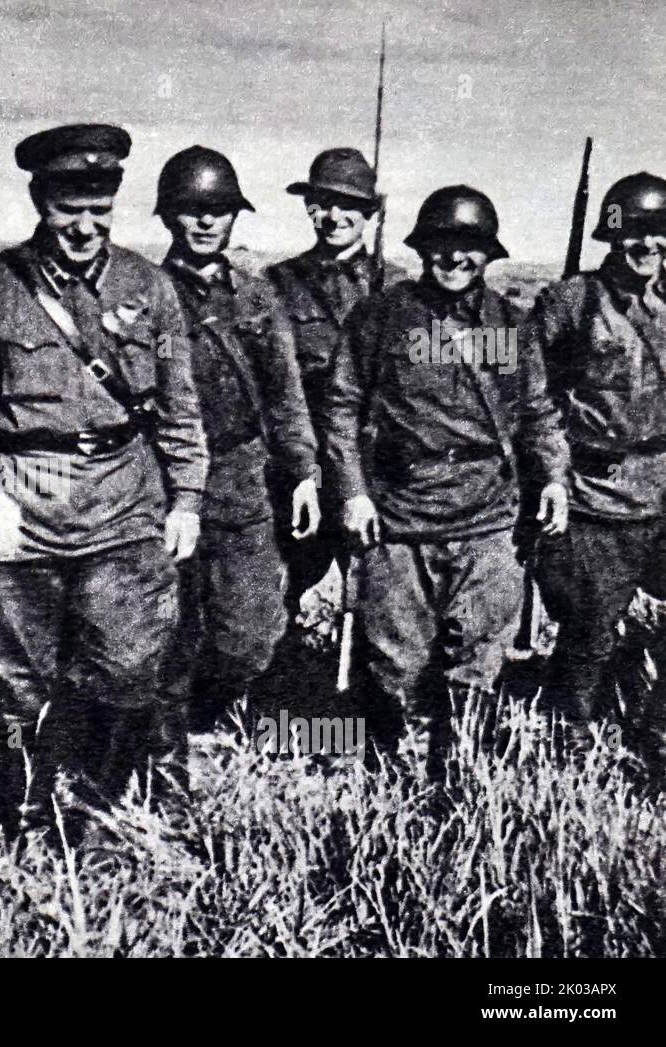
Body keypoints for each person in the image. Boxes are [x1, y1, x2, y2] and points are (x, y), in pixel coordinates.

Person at [0, 123, 207, 826]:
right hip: (24, 500)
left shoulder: (150, 287)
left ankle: (95, 810)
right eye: (67, 206)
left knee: (129, 669)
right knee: (12, 677)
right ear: (38, 199)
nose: (84, 225)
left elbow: (178, 404)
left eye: (99, 206)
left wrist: (189, 496)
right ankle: (22, 815)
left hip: (123, 498)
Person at [321, 185, 569, 780]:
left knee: (480, 653)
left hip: (488, 517)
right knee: (394, 658)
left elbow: (537, 411)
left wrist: (554, 476)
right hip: (401, 515)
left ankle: (456, 777)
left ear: (489, 255)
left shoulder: (511, 325)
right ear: (423, 247)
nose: (455, 259)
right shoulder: (381, 318)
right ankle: (386, 774)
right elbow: (341, 408)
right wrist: (353, 492)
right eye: (442, 245)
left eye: (471, 247)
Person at [152, 146, 319, 765]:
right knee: (164, 625)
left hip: (242, 479)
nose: (205, 223)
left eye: (218, 211)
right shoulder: (144, 294)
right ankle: (166, 744)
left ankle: (206, 710)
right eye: (191, 211)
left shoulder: (256, 297)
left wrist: (302, 471)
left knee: (249, 635)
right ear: (169, 217)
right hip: (163, 482)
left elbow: (286, 395)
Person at [525, 172, 666, 766]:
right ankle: (570, 737)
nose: (649, 246)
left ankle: (657, 727)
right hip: (595, 493)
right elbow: (532, 396)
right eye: (635, 232)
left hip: (660, 487)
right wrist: (551, 473)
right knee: (589, 630)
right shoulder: (571, 302)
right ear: (612, 235)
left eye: (660, 233)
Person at [266, 148, 390, 615]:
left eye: (349, 205)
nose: (335, 217)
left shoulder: (395, 289)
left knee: (378, 598)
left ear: (370, 214)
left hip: (373, 463)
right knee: (290, 582)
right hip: (306, 461)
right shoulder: (278, 285)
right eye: (324, 204)